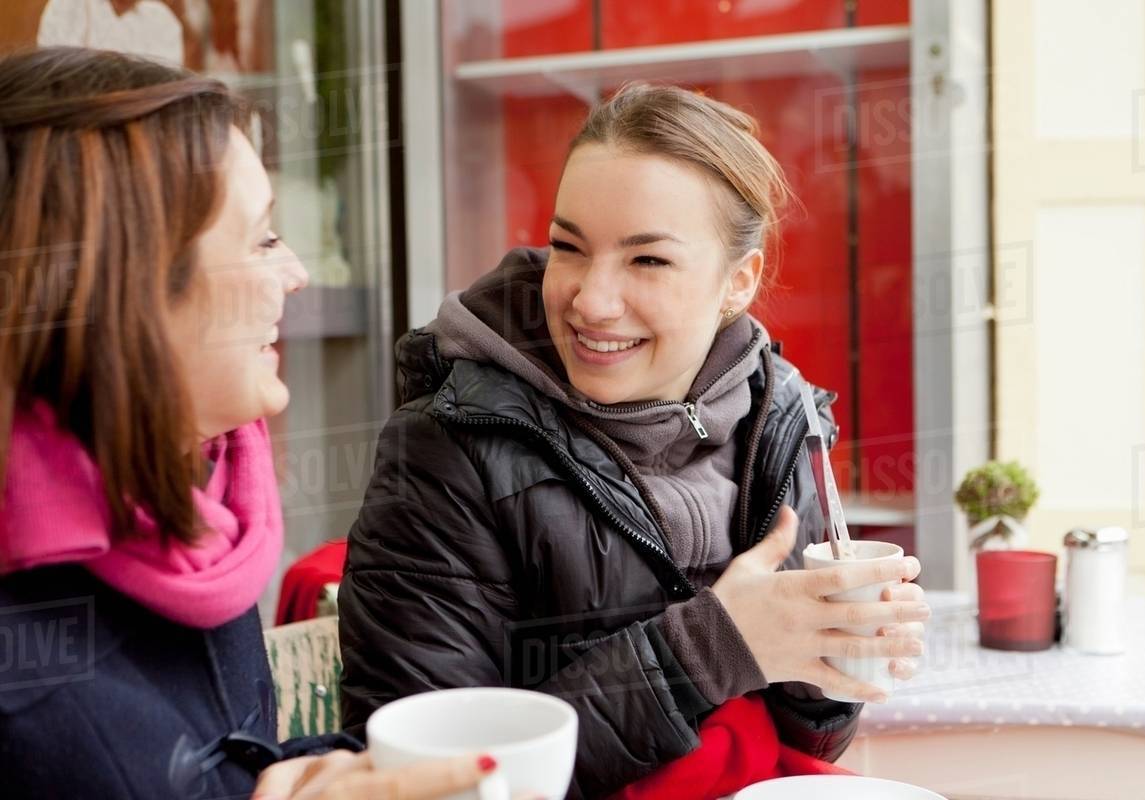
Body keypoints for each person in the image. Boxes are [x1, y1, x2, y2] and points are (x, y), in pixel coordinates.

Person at [338, 82, 931, 798]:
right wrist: (710, 649)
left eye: (647, 260)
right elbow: (425, 782)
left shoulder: (779, 423)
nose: (591, 300)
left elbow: (810, 740)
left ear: (738, 282)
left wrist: (825, 658)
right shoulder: (444, 451)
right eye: (569, 247)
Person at [0, 46, 501, 800]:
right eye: (262, 239)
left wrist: (313, 770)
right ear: (131, 295)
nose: (295, 272)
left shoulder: (191, 504)